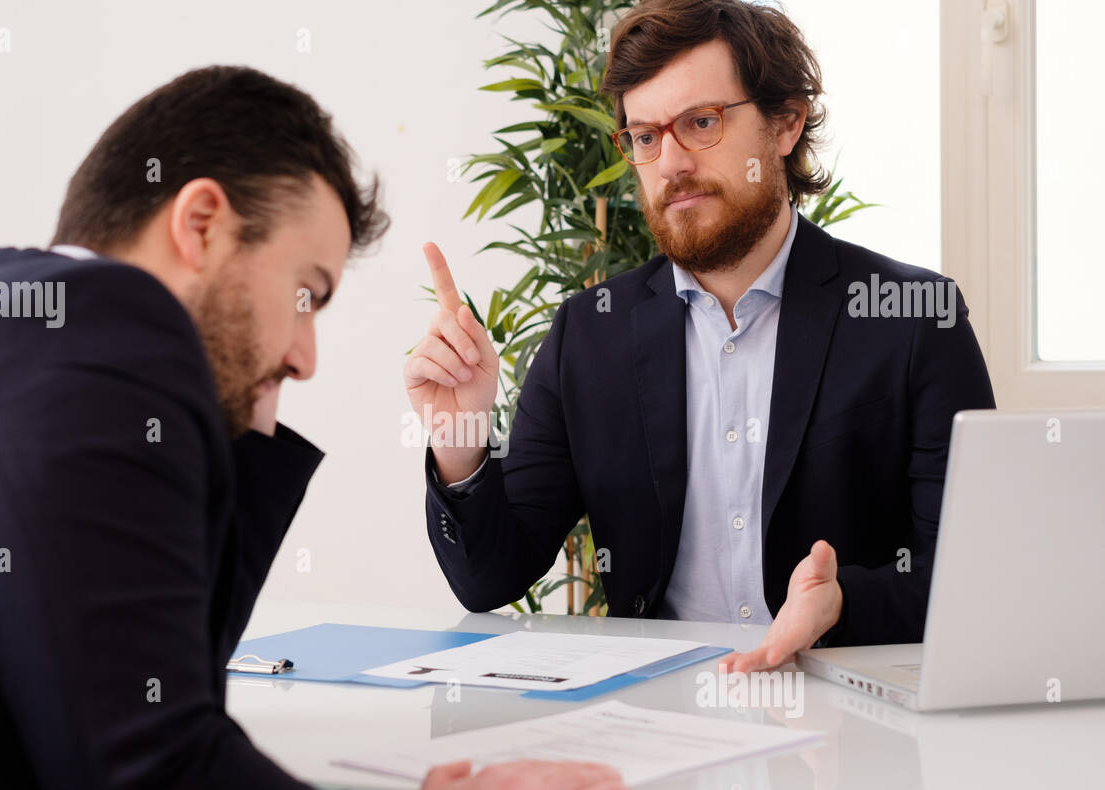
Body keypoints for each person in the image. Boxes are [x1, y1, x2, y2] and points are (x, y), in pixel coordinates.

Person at [0, 65, 627, 790]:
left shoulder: (7, 334)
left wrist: (250, 413)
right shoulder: (95, 350)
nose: (306, 357)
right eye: (307, 295)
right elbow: (156, 789)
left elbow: (165, 703)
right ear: (200, 223)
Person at [406, 0, 995, 674]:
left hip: (843, 711)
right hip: (660, 718)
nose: (672, 162)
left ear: (784, 123)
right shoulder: (587, 335)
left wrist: (840, 605)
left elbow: (969, 581)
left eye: (702, 122)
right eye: (646, 137)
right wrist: (459, 444)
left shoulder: (913, 317)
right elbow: (490, 579)